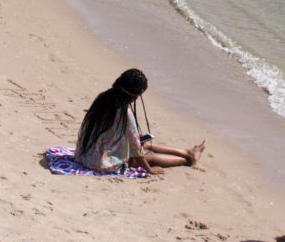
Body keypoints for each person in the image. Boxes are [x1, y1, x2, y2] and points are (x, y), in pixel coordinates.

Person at [74, 68, 205, 173]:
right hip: (98, 163)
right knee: (149, 156)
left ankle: (187, 152)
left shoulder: (103, 98)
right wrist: (150, 169)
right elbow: (136, 150)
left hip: (83, 154)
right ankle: (187, 160)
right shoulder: (124, 112)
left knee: (144, 144)